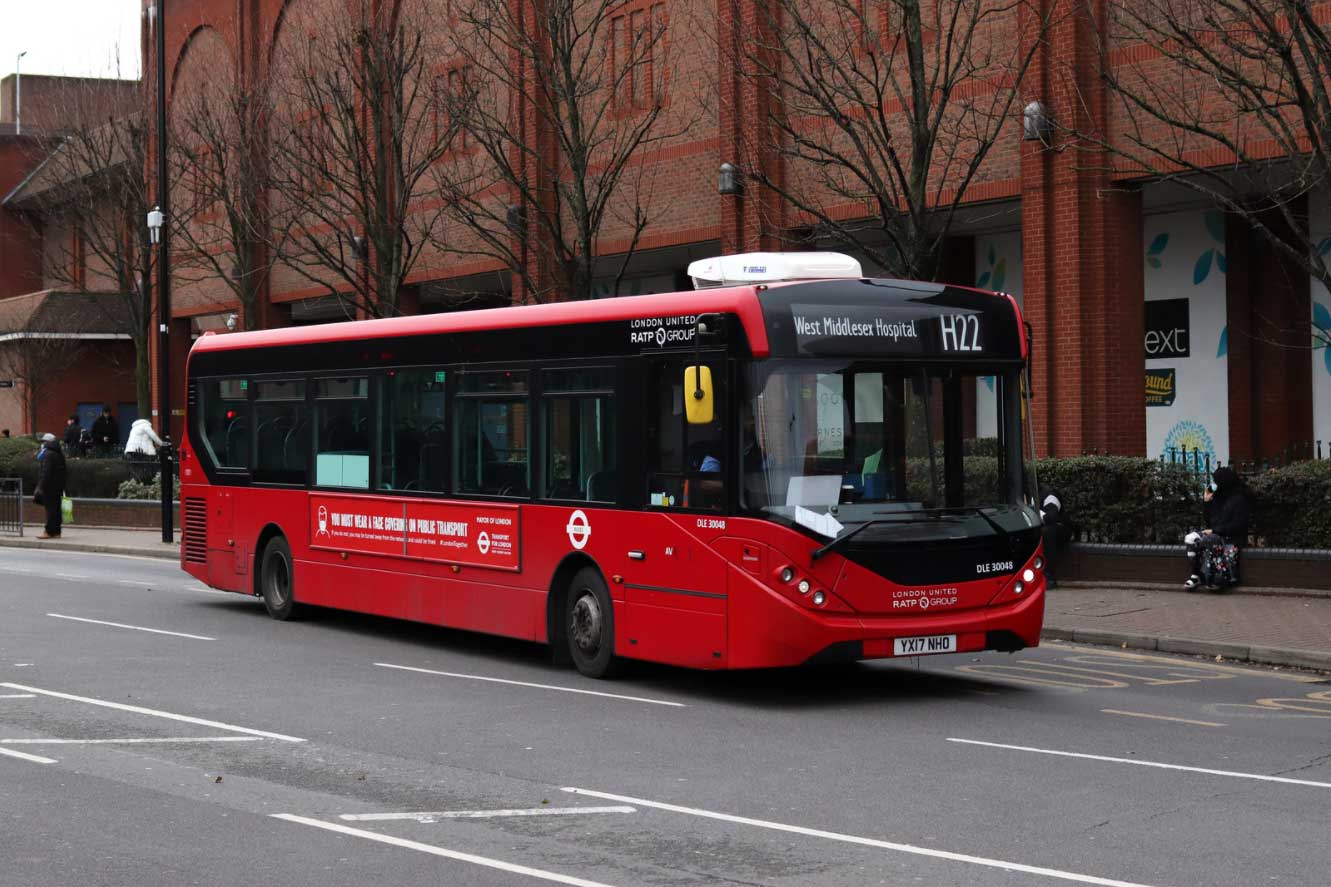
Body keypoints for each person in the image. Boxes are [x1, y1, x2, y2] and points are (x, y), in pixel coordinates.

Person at [1184, 466, 1251, 590]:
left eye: (1216, 481)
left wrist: (1215, 531)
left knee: (1206, 541)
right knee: (1190, 538)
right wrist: (1207, 501)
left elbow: (1238, 525)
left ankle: (1215, 577)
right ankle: (1195, 575)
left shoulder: (1239, 499)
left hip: (1230, 536)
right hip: (1215, 533)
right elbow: (1210, 521)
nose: (1213, 484)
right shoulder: (1218, 497)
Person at [33, 433, 67, 539]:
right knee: (56, 509)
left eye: (43, 442)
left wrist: (40, 486)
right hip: (58, 486)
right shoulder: (59, 454)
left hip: (49, 486)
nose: (42, 444)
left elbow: (46, 472)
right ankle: (57, 531)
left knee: (50, 510)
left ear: (47, 443)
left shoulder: (48, 454)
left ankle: (48, 531)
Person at [1039, 487, 1070, 589]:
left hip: (1059, 529)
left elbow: (1051, 517)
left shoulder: (1049, 494)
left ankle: (1049, 576)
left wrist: (1033, 512)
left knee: (1047, 532)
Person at [124, 418, 165, 482]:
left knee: (134, 469)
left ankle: (134, 482)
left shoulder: (134, 428)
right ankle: (142, 482)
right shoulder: (145, 425)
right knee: (143, 468)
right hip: (138, 451)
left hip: (129, 451)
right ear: (149, 422)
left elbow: (146, 441)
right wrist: (162, 444)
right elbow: (153, 436)